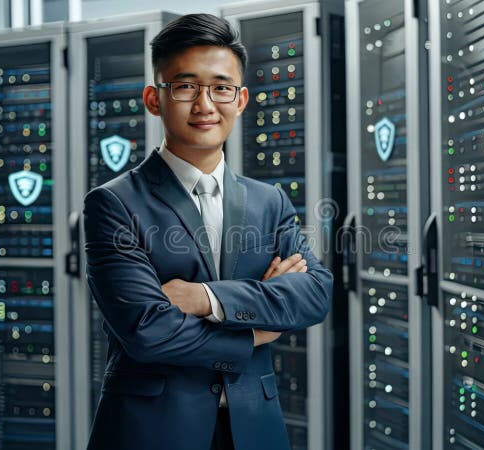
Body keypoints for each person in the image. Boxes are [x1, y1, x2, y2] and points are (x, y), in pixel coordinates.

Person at [83, 13, 333, 450]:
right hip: (154, 431)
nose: (204, 105)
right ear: (154, 99)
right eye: (185, 87)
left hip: (255, 428)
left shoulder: (267, 201)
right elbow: (147, 331)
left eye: (221, 88)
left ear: (240, 100)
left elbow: (315, 294)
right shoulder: (114, 203)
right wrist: (256, 331)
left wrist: (205, 299)